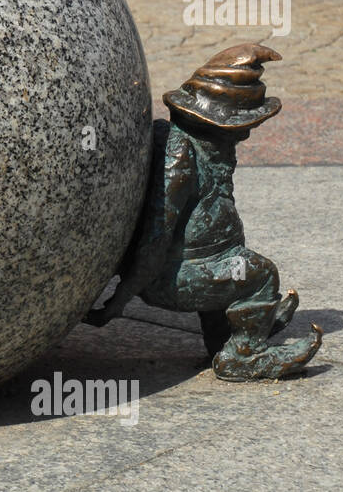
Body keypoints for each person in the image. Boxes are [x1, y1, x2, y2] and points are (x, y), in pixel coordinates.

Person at [86, 42, 323, 380]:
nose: (249, 130)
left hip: (204, 261)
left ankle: (227, 335)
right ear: (218, 121)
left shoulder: (211, 149)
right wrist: (119, 300)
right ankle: (242, 355)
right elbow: (156, 236)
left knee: (237, 265)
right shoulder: (180, 156)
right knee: (261, 275)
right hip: (172, 276)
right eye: (245, 122)